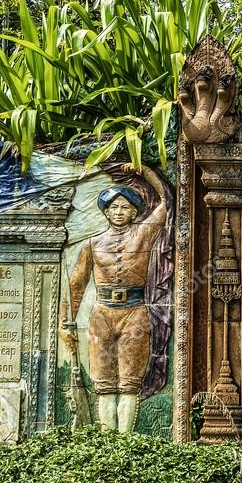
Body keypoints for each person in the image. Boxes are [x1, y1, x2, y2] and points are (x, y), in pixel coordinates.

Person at [59, 164, 168, 432]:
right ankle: (107, 443)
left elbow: (166, 200)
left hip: (134, 314)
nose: (119, 212)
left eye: (124, 207)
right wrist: (64, 324)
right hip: (101, 316)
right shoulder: (92, 245)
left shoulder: (144, 234)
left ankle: (125, 443)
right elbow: (76, 286)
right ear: (106, 212)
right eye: (114, 208)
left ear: (134, 211)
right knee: (104, 384)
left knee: (130, 383)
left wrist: (144, 172)